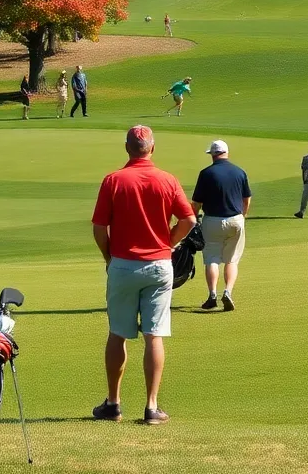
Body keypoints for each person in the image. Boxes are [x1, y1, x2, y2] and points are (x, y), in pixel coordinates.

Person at [90, 125, 196, 425]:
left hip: (123, 263)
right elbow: (188, 219)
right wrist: (169, 243)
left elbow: (99, 227)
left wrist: (109, 257)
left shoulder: (114, 180)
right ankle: (151, 407)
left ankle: (113, 403)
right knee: (154, 335)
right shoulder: (167, 179)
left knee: (118, 333)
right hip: (159, 264)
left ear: (127, 148)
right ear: (152, 148)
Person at [190, 140, 251, 311]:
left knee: (212, 259)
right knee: (231, 260)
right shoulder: (240, 172)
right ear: (226, 152)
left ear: (213, 154)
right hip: (236, 220)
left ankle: (212, 294)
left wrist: (193, 219)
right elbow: (246, 199)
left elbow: (197, 203)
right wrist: (243, 216)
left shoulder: (206, 173)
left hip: (212, 221)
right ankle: (228, 291)